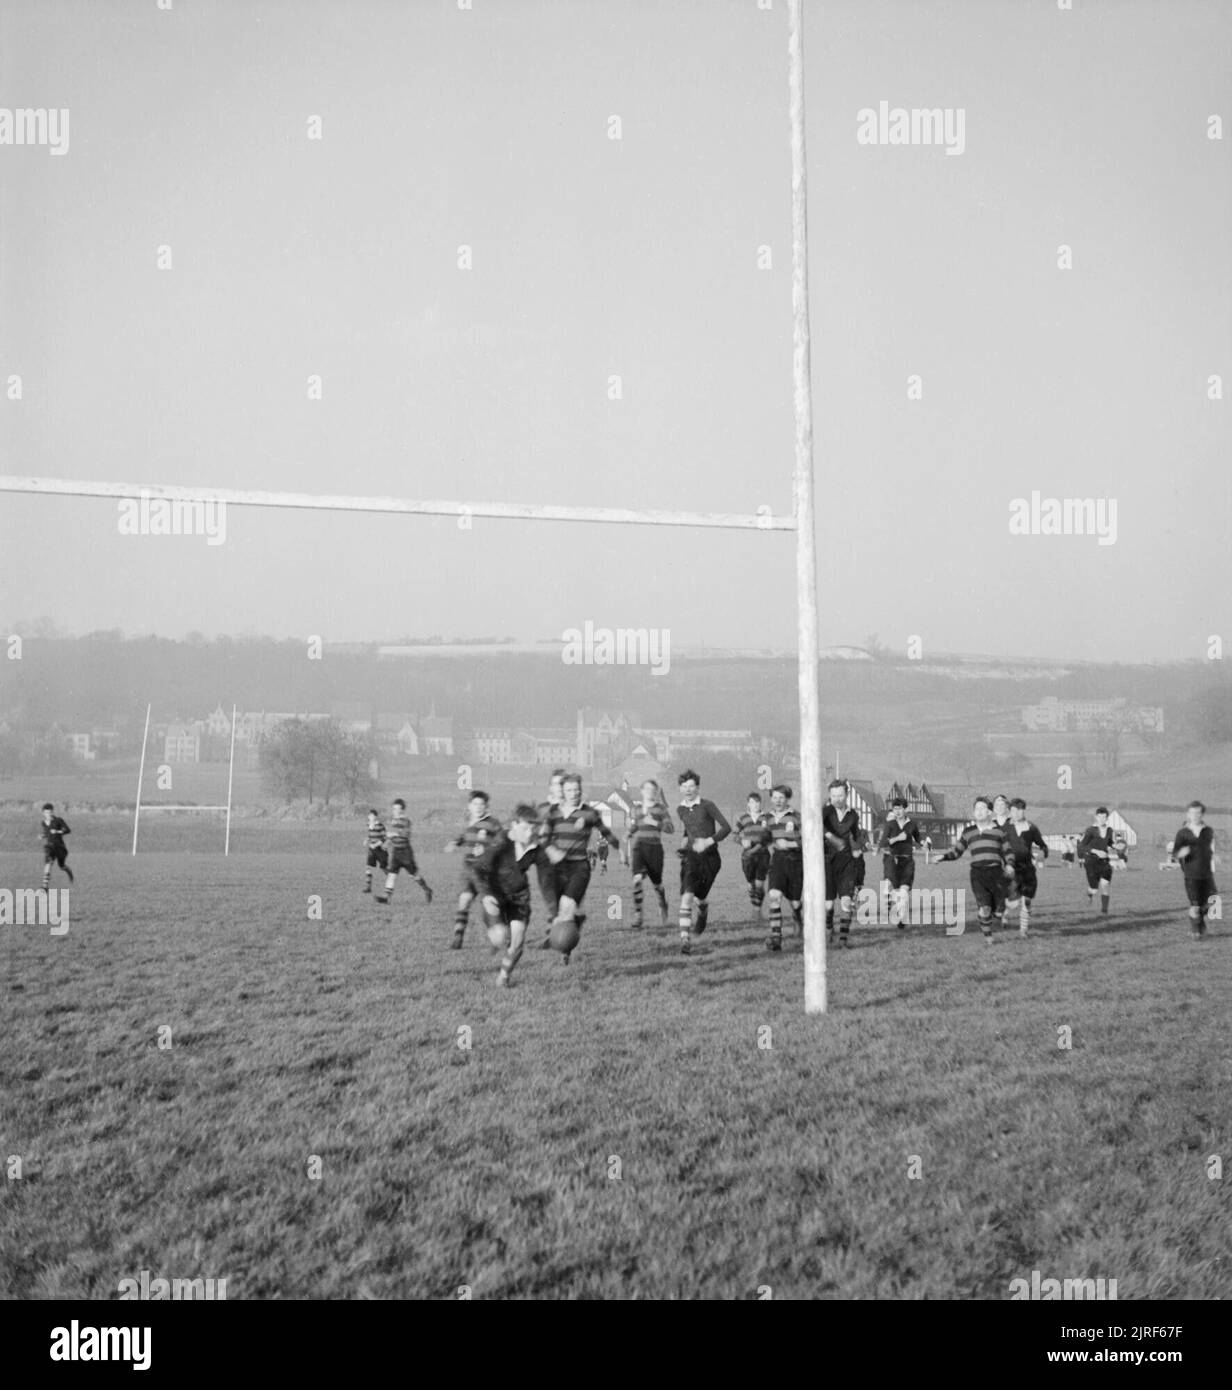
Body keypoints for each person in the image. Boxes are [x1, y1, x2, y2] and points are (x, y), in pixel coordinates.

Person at [540, 774, 619, 963]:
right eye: (569, 790)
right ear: (563, 792)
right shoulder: (553, 813)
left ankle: (563, 947)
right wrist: (551, 849)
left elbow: (606, 833)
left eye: (576, 789)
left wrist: (621, 849)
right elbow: (543, 837)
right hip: (558, 868)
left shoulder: (590, 813)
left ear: (581, 790)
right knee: (561, 912)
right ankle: (566, 939)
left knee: (567, 907)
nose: (573, 793)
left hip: (579, 867)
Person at [471, 804, 541, 986]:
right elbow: (478, 869)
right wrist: (486, 895)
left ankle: (504, 977)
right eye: (526, 827)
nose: (531, 831)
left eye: (534, 827)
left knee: (517, 942)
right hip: (496, 895)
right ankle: (495, 936)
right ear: (514, 825)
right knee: (500, 936)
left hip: (519, 896)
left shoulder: (537, 845)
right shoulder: (501, 841)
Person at [935, 795, 1015, 942]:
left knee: (999, 910)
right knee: (985, 908)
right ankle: (988, 937)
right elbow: (957, 852)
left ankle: (993, 916)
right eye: (976, 809)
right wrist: (943, 857)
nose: (978, 811)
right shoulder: (968, 832)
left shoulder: (1000, 832)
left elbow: (1008, 851)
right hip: (978, 874)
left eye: (982, 808)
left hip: (996, 873)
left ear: (990, 812)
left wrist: (1010, 864)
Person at [676, 769, 731, 955]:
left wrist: (707, 841)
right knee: (687, 896)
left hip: (711, 859)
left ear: (698, 788)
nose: (688, 790)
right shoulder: (680, 809)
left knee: (700, 898)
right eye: (684, 786)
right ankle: (685, 939)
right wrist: (685, 842)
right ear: (680, 788)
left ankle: (703, 910)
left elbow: (727, 828)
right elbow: (688, 829)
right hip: (691, 858)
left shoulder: (708, 805)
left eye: (691, 786)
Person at [444, 791, 502, 946]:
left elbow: (502, 842)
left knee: (489, 904)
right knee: (465, 899)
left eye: (481, 804)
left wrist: (488, 849)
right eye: (475, 804)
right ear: (469, 806)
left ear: (487, 806)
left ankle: (501, 935)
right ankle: (458, 937)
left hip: (486, 870)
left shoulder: (493, 823)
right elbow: (462, 836)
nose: (478, 807)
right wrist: (454, 843)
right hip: (468, 868)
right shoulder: (469, 822)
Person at [822, 779, 865, 948]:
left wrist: (859, 847)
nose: (837, 798)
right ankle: (828, 928)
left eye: (840, 795)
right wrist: (830, 837)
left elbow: (855, 834)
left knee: (847, 901)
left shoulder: (853, 815)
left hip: (847, 862)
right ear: (830, 796)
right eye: (834, 795)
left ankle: (843, 941)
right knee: (829, 904)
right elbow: (815, 824)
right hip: (827, 861)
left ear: (846, 795)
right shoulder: (826, 811)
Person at [627, 779, 674, 928]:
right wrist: (628, 832)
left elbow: (670, 828)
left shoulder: (661, 809)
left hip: (654, 849)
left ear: (656, 792)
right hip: (639, 847)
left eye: (653, 790)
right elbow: (634, 826)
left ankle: (662, 903)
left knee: (657, 885)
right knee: (637, 880)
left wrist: (654, 823)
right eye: (647, 789)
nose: (650, 792)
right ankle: (638, 915)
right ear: (641, 791)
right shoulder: (636, 809)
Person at [1170, 801, 1219, 939]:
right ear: (1188, 814)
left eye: (1198, 812)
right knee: (1195, 906)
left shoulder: (1208, 831)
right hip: (1192, 875)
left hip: (1207, 874)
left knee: (1212, 903)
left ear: (1202, 814)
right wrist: (1182, 853)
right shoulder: (1183, 833)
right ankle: (1195, 930)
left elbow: (1208, 849)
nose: (1195, 815)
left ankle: (1200, 922)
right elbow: (1174, 853)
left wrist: (1214, 856)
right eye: (1192, 813)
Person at [764, 784, 803, 952]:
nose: (778, 801)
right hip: (777, 860)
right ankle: (776, 938)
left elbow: (807, 840)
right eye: (775, 798)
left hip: (795, 861)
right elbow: (764, 838)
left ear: (787, 799)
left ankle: (797, 916)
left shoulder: (796, 817)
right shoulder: (767, 818)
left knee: (795, 902)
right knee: (774, 896)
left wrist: (790, 843)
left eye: (781, 798)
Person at [375, 798, 434, 907]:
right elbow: (392, 836)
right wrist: (387, 842)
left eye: (398, 809)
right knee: (391, 875)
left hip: (406, 853)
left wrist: (393, 834)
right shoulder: (392, 820)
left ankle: (427, 889)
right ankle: (386, 898)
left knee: (414, 875)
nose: (395, 811)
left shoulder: (406, 821)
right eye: (394, 808)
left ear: (402, 810)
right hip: (396, 852)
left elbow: (405, 834)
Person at [1002, 798, 1048, 934]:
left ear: (1024, 811)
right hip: (1011, 868)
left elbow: (1043, 845)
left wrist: (1042, 852)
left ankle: (1023, 930)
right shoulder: (1005, 828)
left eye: (1019, 810)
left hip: (1028, 868)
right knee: (1013, 903)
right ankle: (1005, 911)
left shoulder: (1031, 827)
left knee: (1027, 900)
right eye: (1013, 810)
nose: (1016, 813)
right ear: (1010, 812)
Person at [1077, 807, 1121, 914]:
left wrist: (1116, 846)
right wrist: (1096, 851)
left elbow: (1109, 842)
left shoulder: (1110, 830)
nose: (1102, 819)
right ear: (1096, 817)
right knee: (1094, 889)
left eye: (1104, 817)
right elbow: (1081, 846)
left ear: (1107, 818)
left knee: (1105, 885)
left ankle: (1104, 911)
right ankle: (1089, 894)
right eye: (1100, 817)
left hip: (1104, 862)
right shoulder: (1090, 831)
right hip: (1091, 862)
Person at [734, 792, 771, 913]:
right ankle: (751, 891)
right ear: (748, 804)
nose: (755, 805)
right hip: (748, 855)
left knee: (760, 884)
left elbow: (771, 836)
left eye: (757, 802)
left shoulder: (767, 818)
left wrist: (764, 842)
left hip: (763, 855)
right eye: (752, 803)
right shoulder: (743, 818)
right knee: (751, 883)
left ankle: (757, 911)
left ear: (761, 803)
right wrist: (742, 841)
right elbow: (734, 835)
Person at [39, 803, 73, 890]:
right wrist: (43, 835)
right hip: (50, 846)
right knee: (48, 862)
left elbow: (68, 830)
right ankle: (45, 886)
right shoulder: (43, 823)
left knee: (61, 866)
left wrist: (58, 831)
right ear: (43, 813)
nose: (48, 814)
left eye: (50, 812)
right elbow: (48, 833)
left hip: (60, 847)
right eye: (46, 813)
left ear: (52, 812)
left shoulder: (58, 820)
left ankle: (68, 870)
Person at [362, 808, 388, 894]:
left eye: (371, 815)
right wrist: (366, 840)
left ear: (375, 816)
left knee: (383, 868)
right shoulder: (368, 825)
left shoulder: (380, 826)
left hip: (380, 850)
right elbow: (369, 835)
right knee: (368, 867)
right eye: (369, 815)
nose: (369, 817)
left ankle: (391, 880)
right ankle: (368, 887)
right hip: (372, 850)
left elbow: (384, 838)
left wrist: (376, 844)